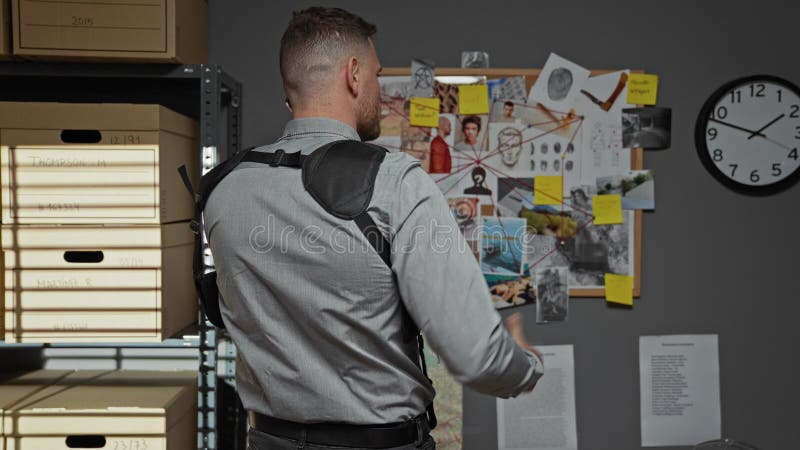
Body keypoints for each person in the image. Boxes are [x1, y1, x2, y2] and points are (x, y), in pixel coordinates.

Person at [204, 7, 543, 450]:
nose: (380, 91)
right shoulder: (394, 181)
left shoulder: (224, 188)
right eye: (378, 74)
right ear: (354, 74)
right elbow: (476, 357)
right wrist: (526, 365)